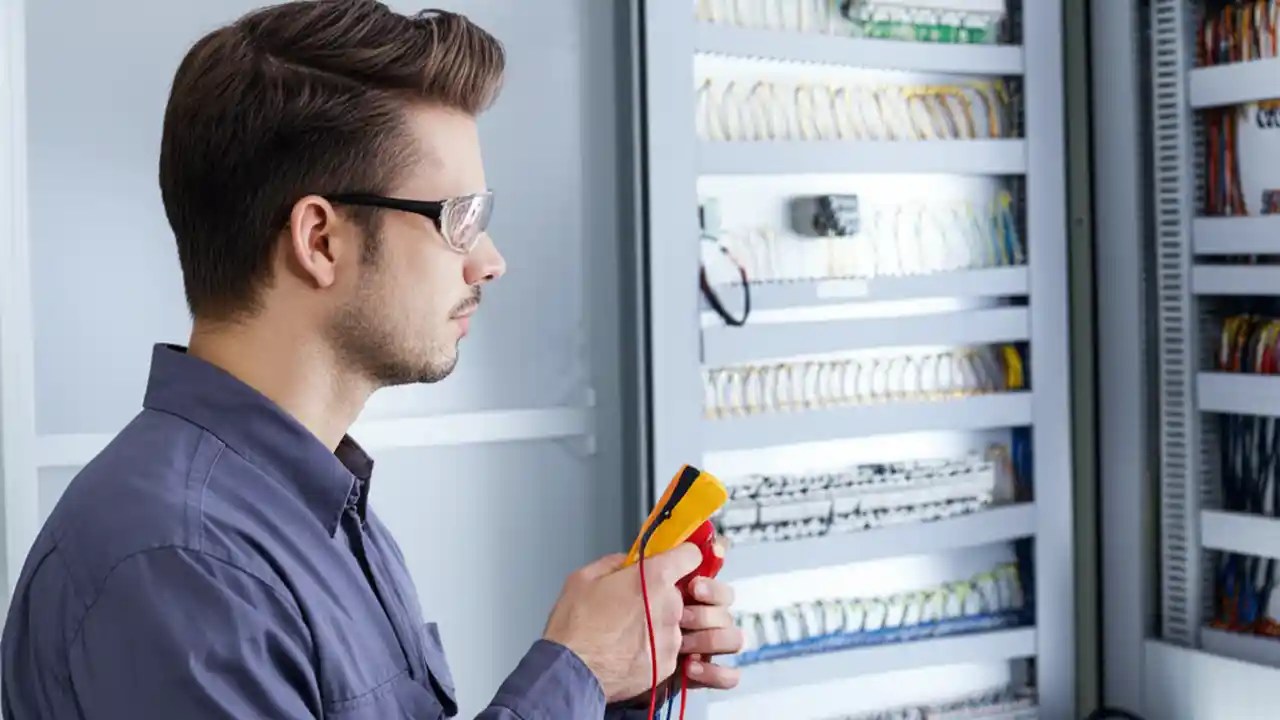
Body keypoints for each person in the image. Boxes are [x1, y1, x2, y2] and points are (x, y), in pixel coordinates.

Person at [0, 1, 744, 717]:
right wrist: (574, 671)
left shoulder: (318, 509)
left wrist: (613, 686)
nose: (489, 261)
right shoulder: (178, 563)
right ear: (320, 241)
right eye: (459, 219)